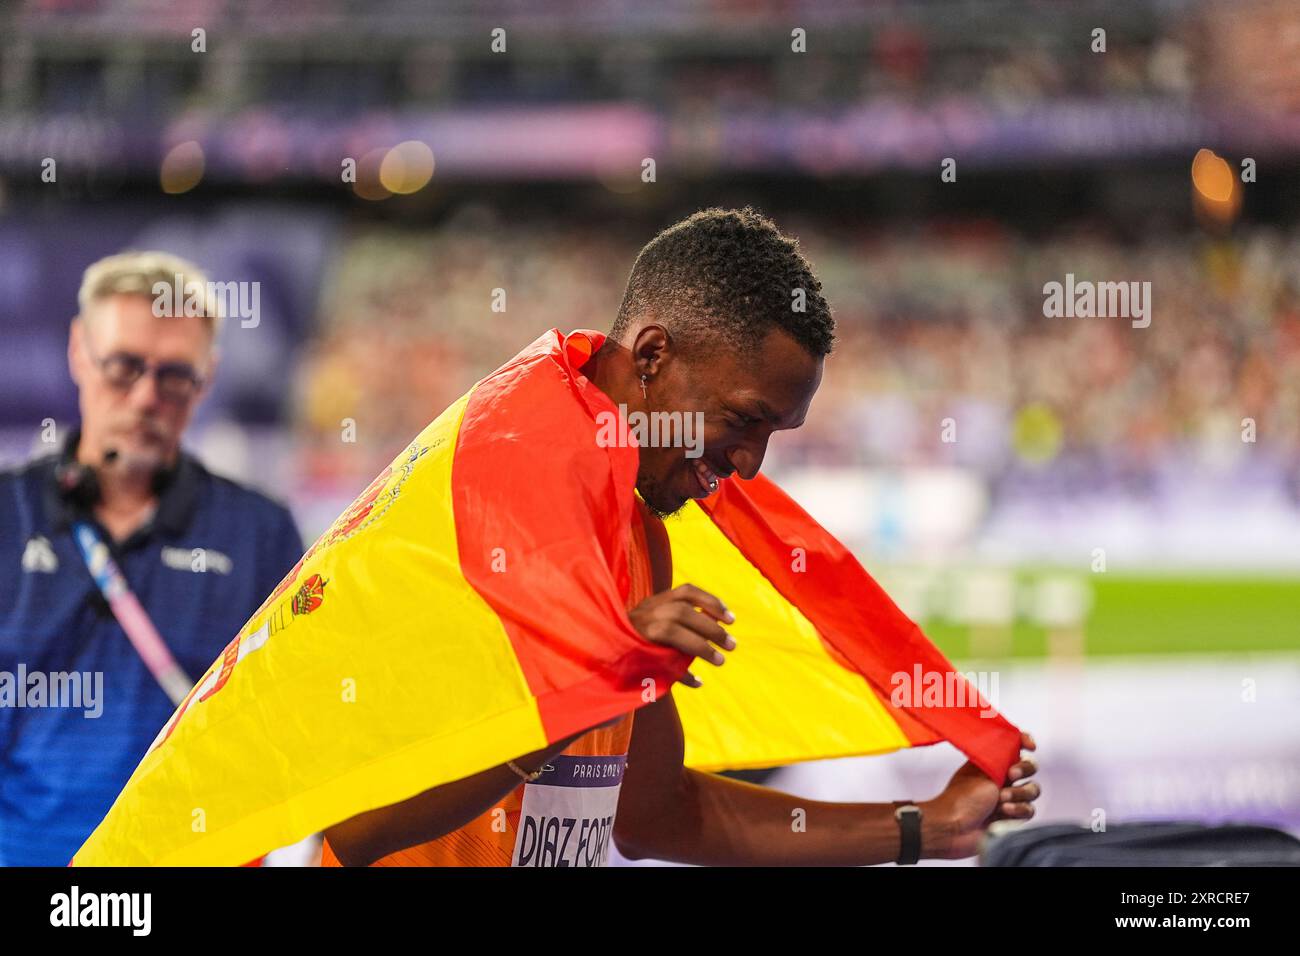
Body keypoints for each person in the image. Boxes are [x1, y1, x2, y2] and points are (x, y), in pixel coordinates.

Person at [319, 207, 1040, 867]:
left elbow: (655, 815)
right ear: (654, 356)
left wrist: (926, 827)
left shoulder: (640, 532)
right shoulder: (473, 495)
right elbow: (354, 823)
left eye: (773, 435)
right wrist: (585, 681)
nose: (752, 465)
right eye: (744, 419)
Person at [0, 251, 303, 866]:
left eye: (174, 376)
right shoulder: (8, 515)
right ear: (79, 352)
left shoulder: (259, 534)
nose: (145, 398)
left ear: (207, 378)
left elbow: (288, 733)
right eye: (123, 367)